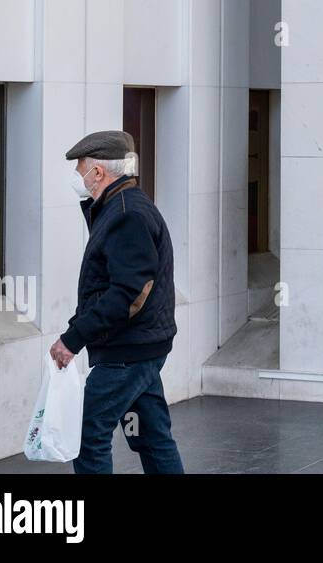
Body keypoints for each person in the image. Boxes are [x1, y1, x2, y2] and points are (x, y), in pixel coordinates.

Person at [48, 130, 184, 474]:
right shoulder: (119, 207)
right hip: (141, 348)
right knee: (150, 435)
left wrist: (73, 338)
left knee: (87, 434)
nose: (77, 178)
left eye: (80, 170)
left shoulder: (126, 214)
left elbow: (127, 293)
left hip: (127, 353)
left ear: (99, 172)